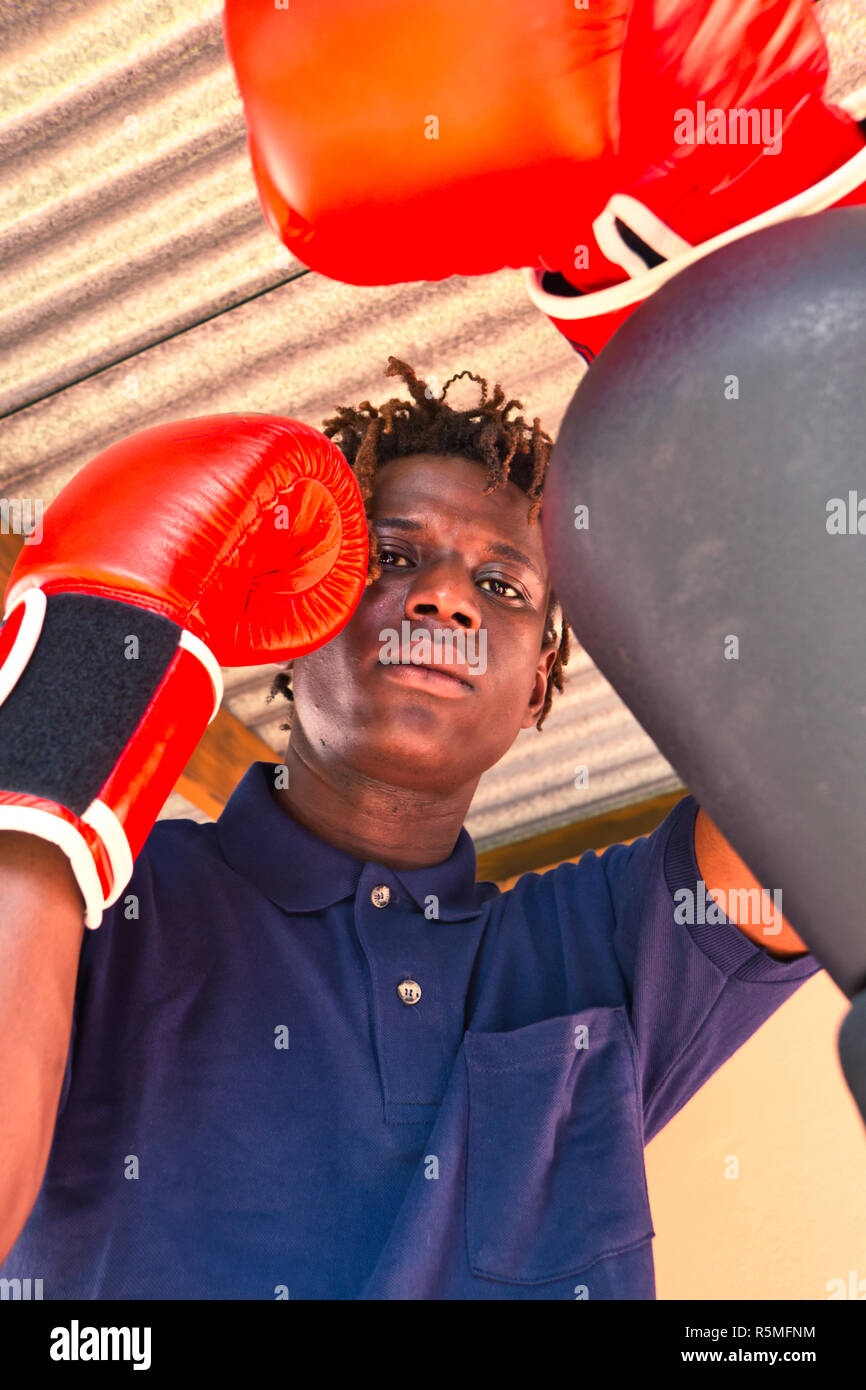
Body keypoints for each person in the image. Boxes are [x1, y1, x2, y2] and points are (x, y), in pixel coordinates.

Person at [0, 359, 818, 1300]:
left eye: (505, 587)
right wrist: (82, 678)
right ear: (295, 618)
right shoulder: (113, 893)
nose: (447, 599)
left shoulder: (591, 956)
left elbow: (816, 808)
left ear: (539, 685)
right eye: (393, 556)